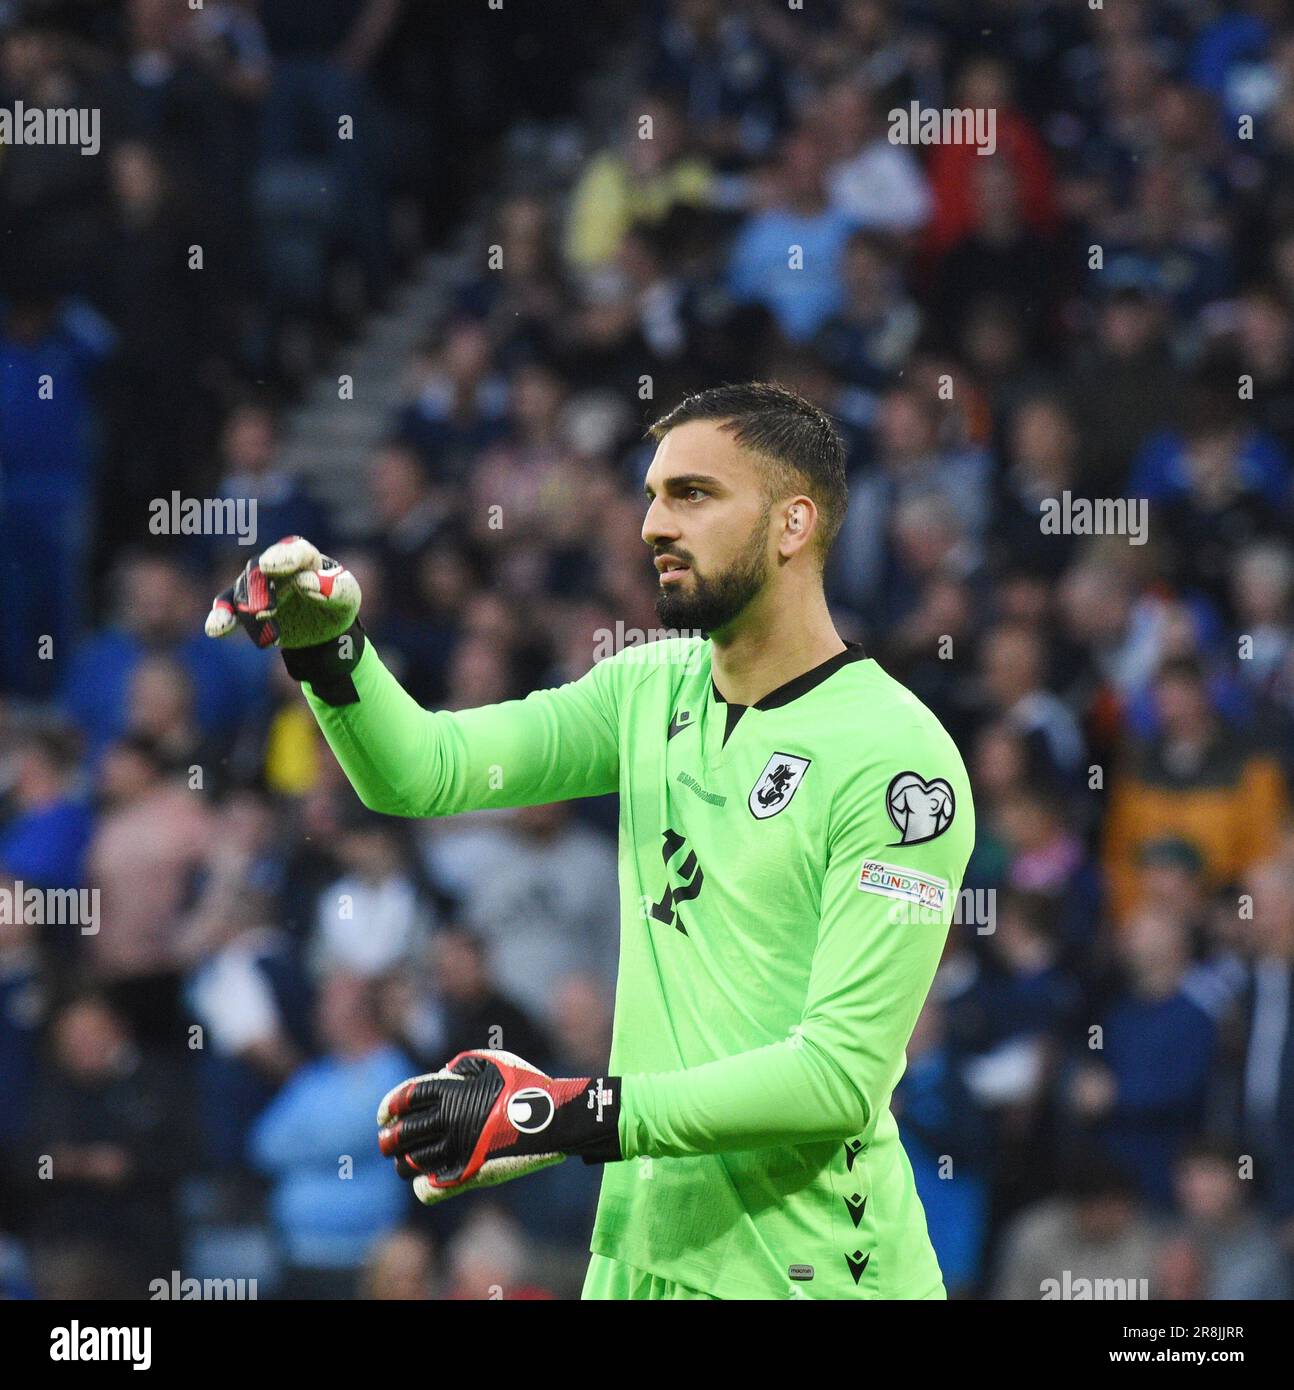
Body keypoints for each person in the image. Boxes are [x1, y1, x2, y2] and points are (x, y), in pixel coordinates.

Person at [206, 381, 975, 1300]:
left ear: (792, 523)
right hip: (640, 1254)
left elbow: (835, 1081)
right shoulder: (645, 691)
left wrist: (562, 1115)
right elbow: (425, 770)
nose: (653, 524)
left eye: (692, 494)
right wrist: (329, 651)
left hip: (815, 1274)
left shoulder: (894, 758)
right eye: (651, 495)